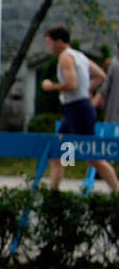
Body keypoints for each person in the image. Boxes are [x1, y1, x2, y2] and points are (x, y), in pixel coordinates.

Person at [42, 26, 119, 191]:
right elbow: (101, 76)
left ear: (59, 41)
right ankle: (53, 195)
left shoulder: (65, 57)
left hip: (77, 109)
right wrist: (87, 90)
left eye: (50, 43)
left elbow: (72, 84)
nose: (48, 47)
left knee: (92, 156)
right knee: (58, 154)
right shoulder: (80, 56)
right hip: (75, 109)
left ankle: (117, 190)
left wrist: (51, 86)